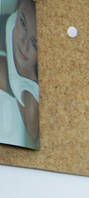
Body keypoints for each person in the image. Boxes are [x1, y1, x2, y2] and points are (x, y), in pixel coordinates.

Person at [0, 0, 38, 148]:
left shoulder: (32, 104)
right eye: (23, 22)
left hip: (21, 83)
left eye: (35, 42)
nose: (24, 43)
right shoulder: (13, 22)